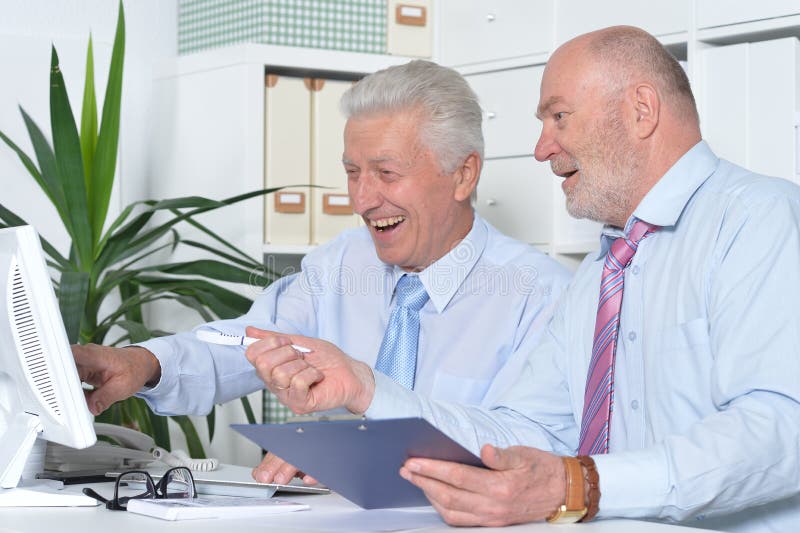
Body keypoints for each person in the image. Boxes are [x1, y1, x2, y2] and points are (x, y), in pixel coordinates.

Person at [246, 26, 800, 532]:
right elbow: (526, 430)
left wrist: (577, 484)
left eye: (558, 117)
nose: (541, 148)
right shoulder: (602, 272)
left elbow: (783, 430)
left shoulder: (758, 218)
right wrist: (368, 390)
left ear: (641, 110)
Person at [73, 60, 571, 485]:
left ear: (463, 174)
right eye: (353, 172)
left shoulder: (542, 295)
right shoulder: (340, 262)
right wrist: (143, 364)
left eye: (386, 173)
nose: (362, 200)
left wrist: (366, 395)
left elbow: (533, 446)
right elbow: (245, 343)